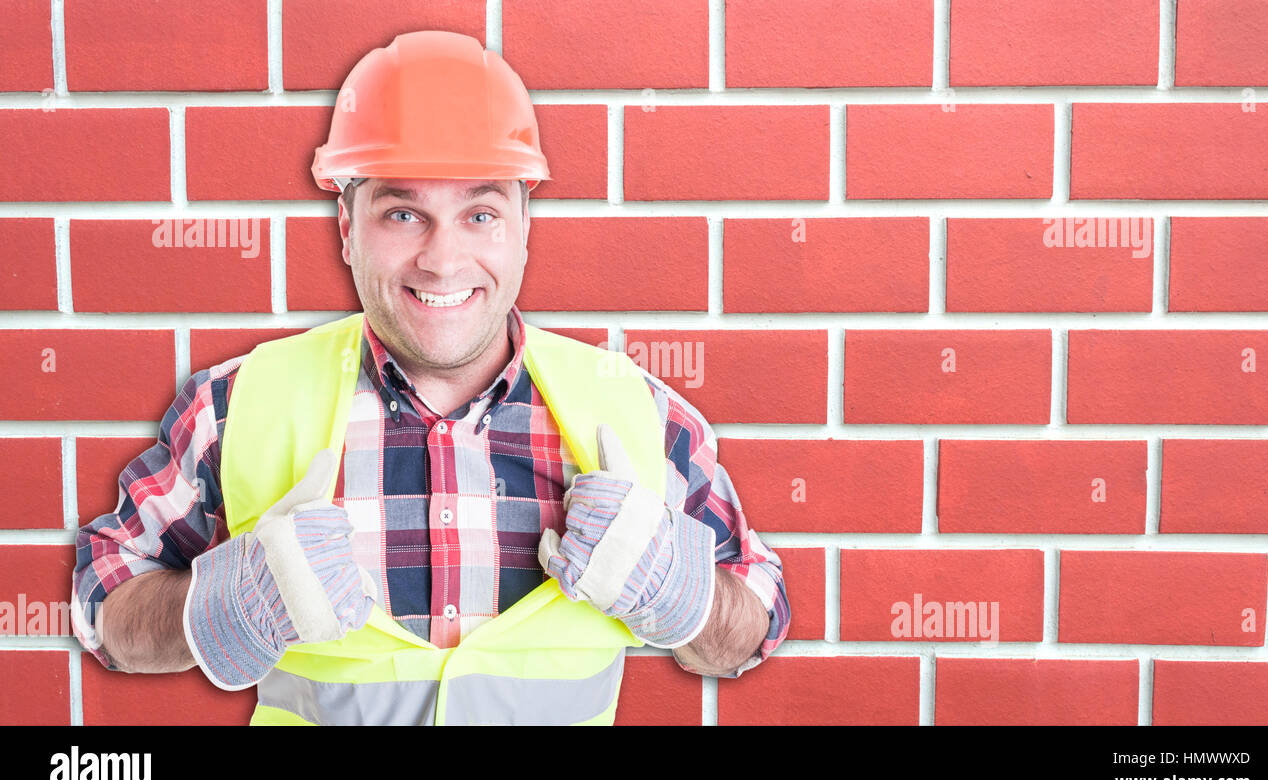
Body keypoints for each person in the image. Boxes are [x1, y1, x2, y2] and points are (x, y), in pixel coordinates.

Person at [71, 30, 789, 725]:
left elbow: (754, 624)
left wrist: (675, 588)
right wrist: (226, 603)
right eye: (403, 212)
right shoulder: (234, 407)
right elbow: (105, 611)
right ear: (347, 229)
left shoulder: (641, 415)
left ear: (523, 227)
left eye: (480, 213)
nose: (442, 261)